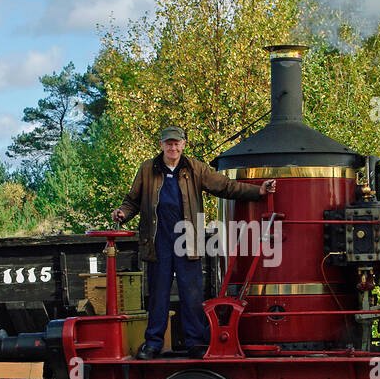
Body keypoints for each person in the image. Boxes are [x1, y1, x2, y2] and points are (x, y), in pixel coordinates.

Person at [111, 125, 276, 358]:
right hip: (159, 241)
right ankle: (153, 343)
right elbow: (132, 201)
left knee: (192, 293)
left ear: (183, 145)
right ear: (161, 145)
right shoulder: (148, 169)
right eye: (169, 143)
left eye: (177, 143)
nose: (173, 147)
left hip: (188, 239)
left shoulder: (195, 168)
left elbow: (225, 186)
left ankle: (196, 343)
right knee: (158, 294)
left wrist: (258, 191)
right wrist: (122, 213)